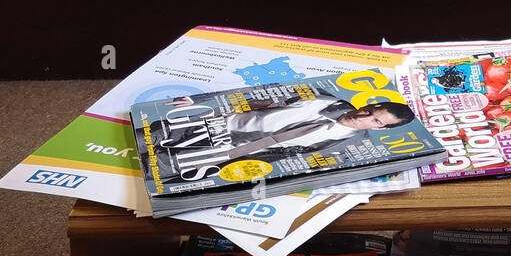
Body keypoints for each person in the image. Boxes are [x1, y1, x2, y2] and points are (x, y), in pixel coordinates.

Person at [158, 93, 416, 165]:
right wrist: (204, 101)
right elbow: (259, 96)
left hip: (229, 155)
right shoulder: (324, 99)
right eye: (369, 110)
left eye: (375, 121)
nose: (362, 116)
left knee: (159, 166)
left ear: (380, 130)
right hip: (209, 124)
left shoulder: (347, 146)